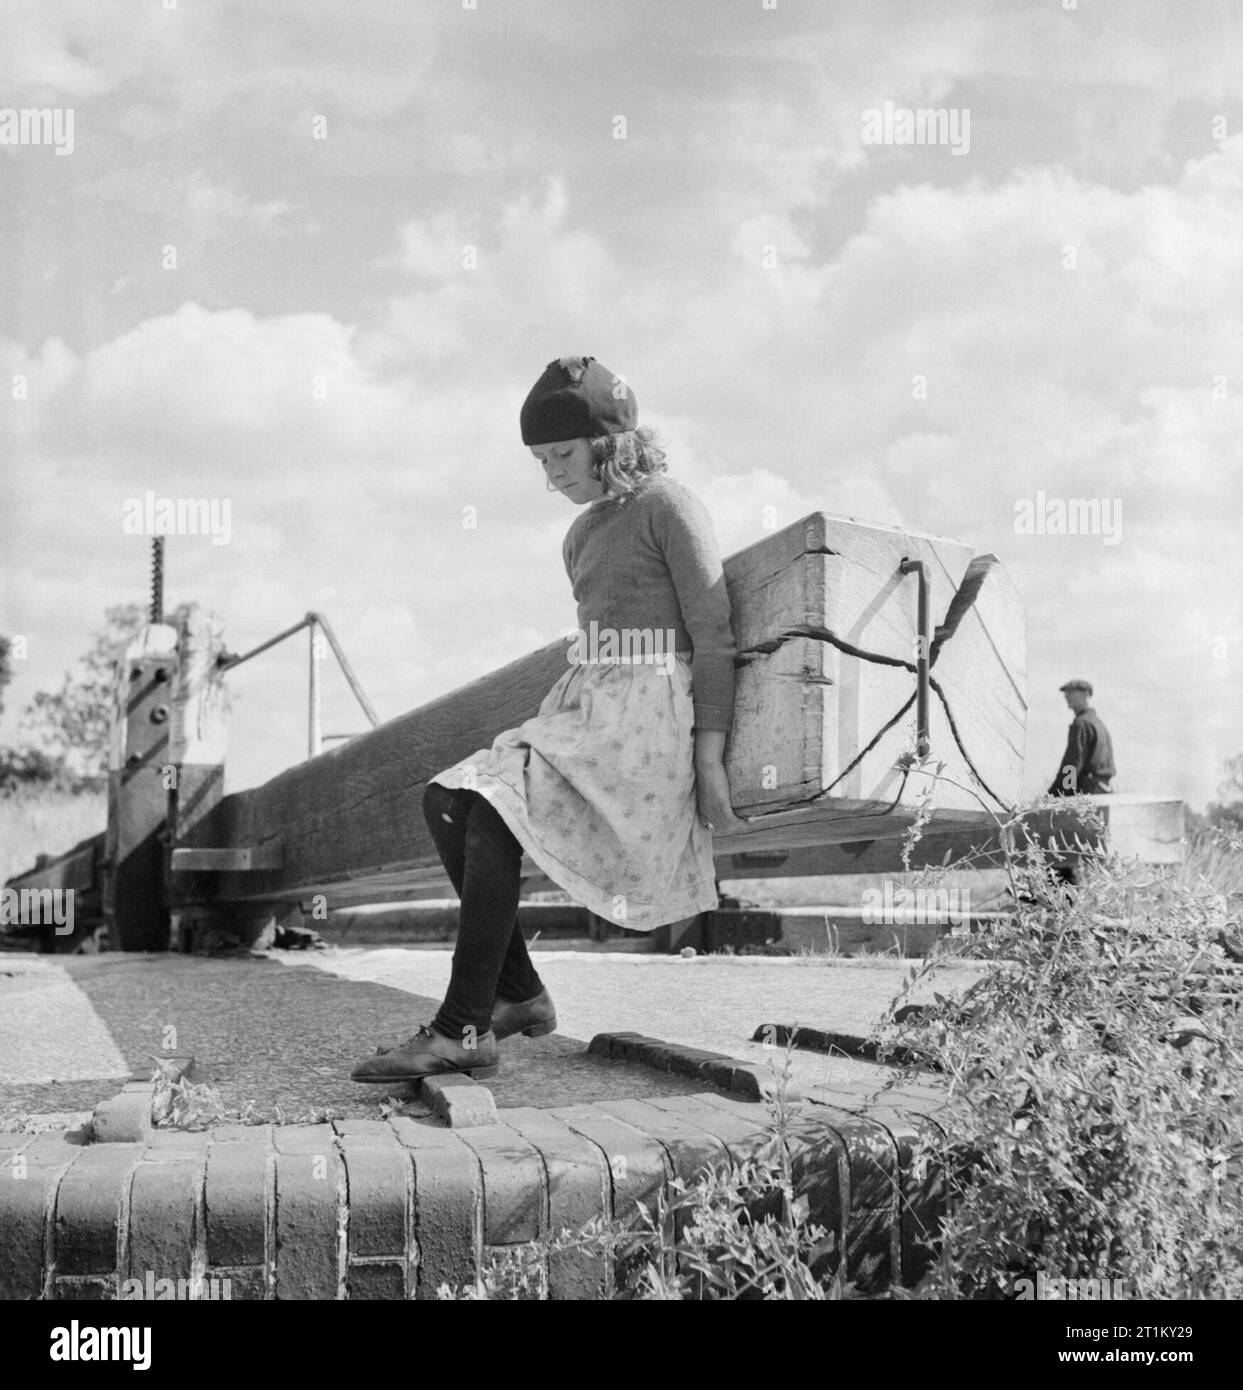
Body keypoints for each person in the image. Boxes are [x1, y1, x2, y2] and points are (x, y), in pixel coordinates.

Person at [352, 355, 748, 1084]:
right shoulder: (581, 534)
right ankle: (517, 994)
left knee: (494, 811)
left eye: (561, 455)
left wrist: (708, 758)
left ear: (610, 443)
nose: (551, 476)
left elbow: (715, 636)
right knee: (446, 800)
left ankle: (462, 1028)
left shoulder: (668, 506)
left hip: (646, 724)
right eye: (540, 462)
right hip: (588, 708)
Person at [1048, 679, 1115, 796]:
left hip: (1087, 792)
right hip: (1103, 790)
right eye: (1066, 693)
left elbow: (1072, 764)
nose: (1066, 697)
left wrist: (1054, 795)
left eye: (1072, 693)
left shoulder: (1081, 723)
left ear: (1086, 694)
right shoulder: (1099, 724)